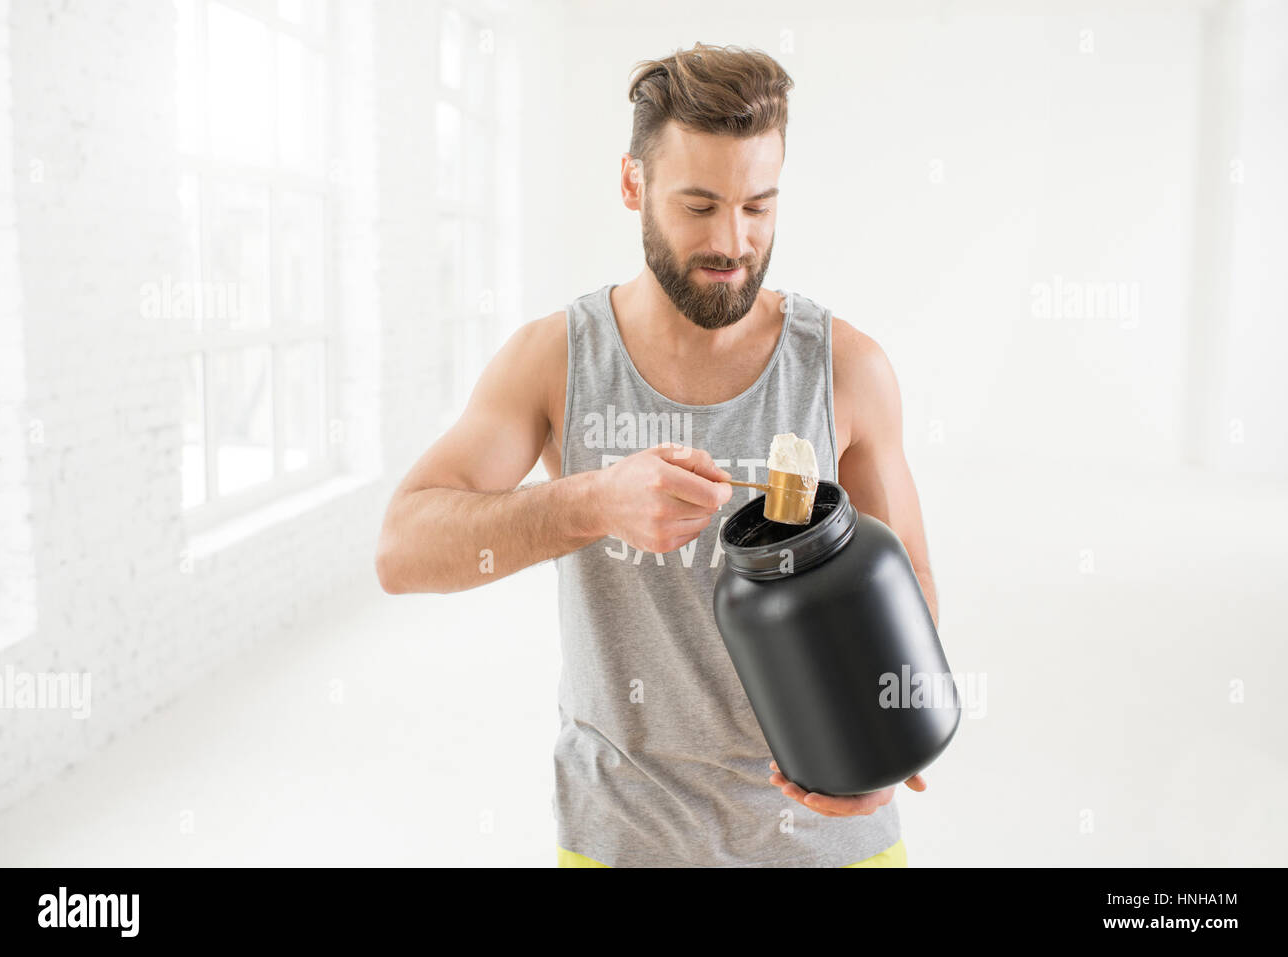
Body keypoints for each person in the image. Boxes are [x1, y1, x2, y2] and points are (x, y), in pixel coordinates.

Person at [375, 42, 939, 868]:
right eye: (700, 205)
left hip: (830, 841)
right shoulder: (555, 360)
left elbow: (909, 590)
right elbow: (402, 548)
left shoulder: (846, 368)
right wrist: (594, 500)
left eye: (758, 206)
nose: (733, 242)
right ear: (633, 184)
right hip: (622, 840)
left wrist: (889, 745)